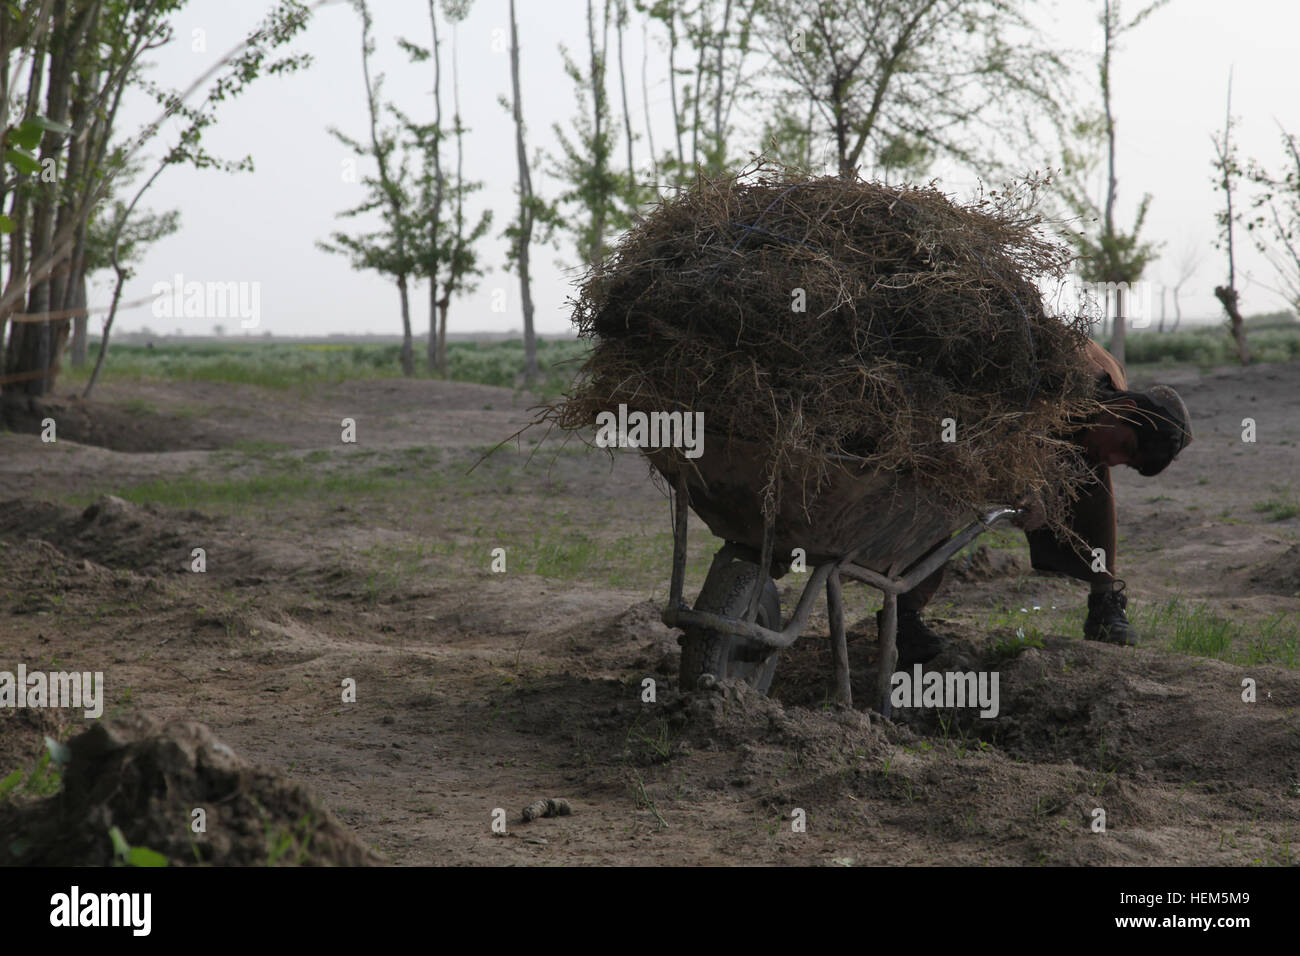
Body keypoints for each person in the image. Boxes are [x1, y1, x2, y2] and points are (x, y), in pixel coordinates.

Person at [884, 339, 1193, 667]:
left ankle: (1105, 601)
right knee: (947, 484)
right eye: (1125, 446)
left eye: (1127, 461)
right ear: (1125, 409)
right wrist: (1028, 485)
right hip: (965, 410)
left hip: (1064, 424)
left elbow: (1075, 450)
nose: (1115, 458)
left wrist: (1044, 491)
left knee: (1092, 469)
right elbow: (1010, 425)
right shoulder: (1061, 372)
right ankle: (903, 613)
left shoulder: (1109, 406)